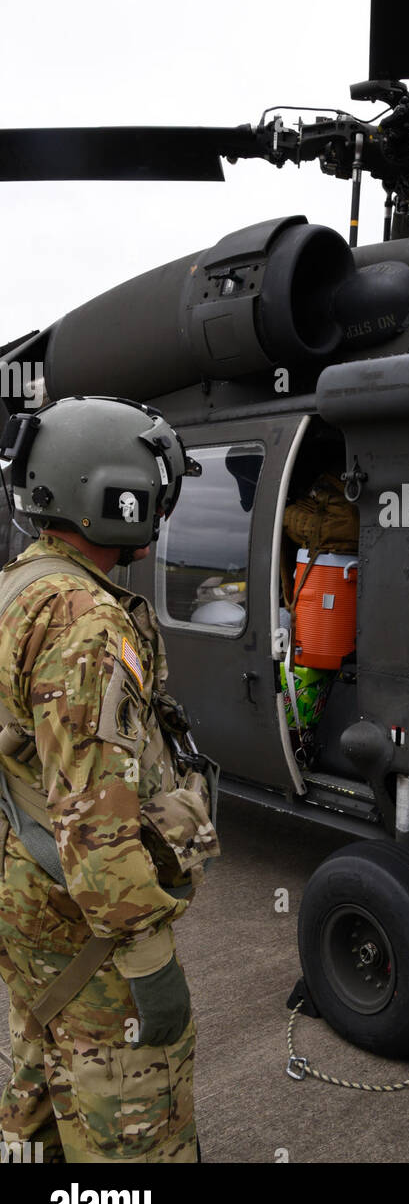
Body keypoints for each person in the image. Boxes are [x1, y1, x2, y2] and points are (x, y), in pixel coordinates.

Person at [0, 396, 218, 1164]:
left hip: (28, 906)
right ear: (111, 496)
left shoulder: (20, 589)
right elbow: (95, 820)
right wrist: (150, 963)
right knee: (134, 1120)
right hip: (83, 925)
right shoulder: (84, 622)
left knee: (43, 1069)